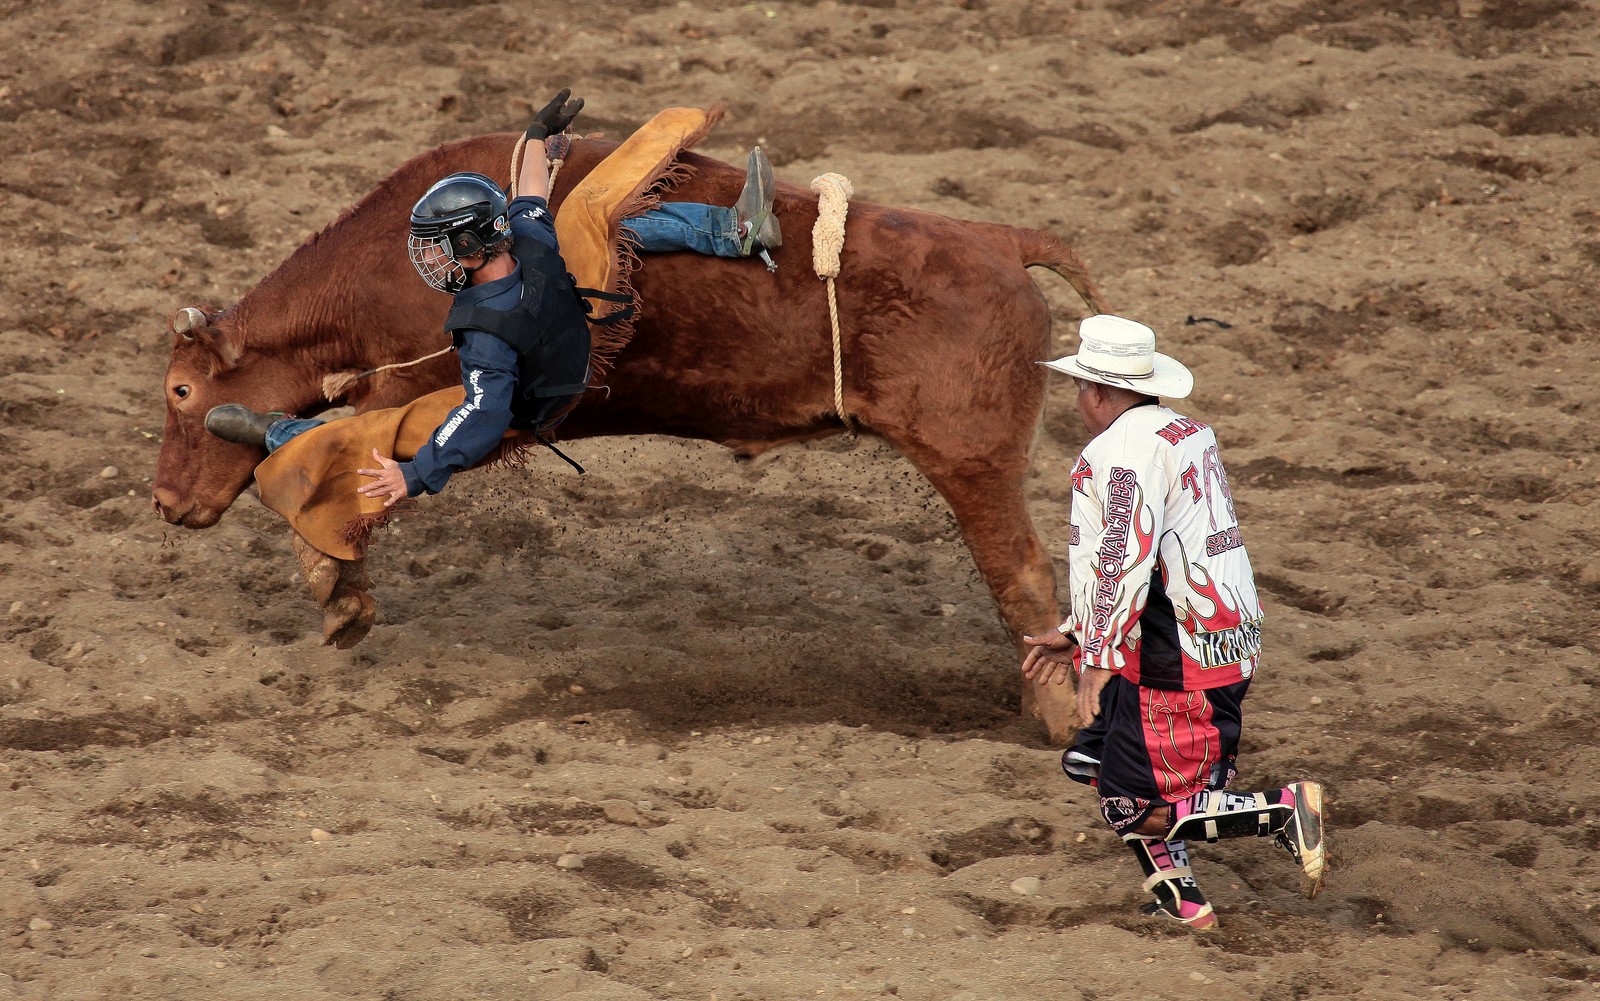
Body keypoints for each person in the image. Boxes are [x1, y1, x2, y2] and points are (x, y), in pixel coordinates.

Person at [203, 89, 782, 504]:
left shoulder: (486, 333)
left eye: (436, 247)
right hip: (576, 335)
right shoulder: (532, 239)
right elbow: (531, 191)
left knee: (376, 429)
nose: (427, 259)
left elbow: (483, 416)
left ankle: (278, 434)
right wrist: (536, 136)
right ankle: (734, 230)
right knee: (603, 222)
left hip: (539, 402)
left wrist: (416, 476)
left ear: (472, 246)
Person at [1020, 313, 1326, 931]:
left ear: (1099, 392)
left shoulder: (1119, 456)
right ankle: (1179, 896)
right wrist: (1083, 632)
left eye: (1080, 387)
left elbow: (1123, 555)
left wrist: (1097, 656)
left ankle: (1281, 810)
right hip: (1212, 627)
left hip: (1171, 649)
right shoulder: (1187, 433)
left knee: (1136, 805)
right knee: (1097, 764)